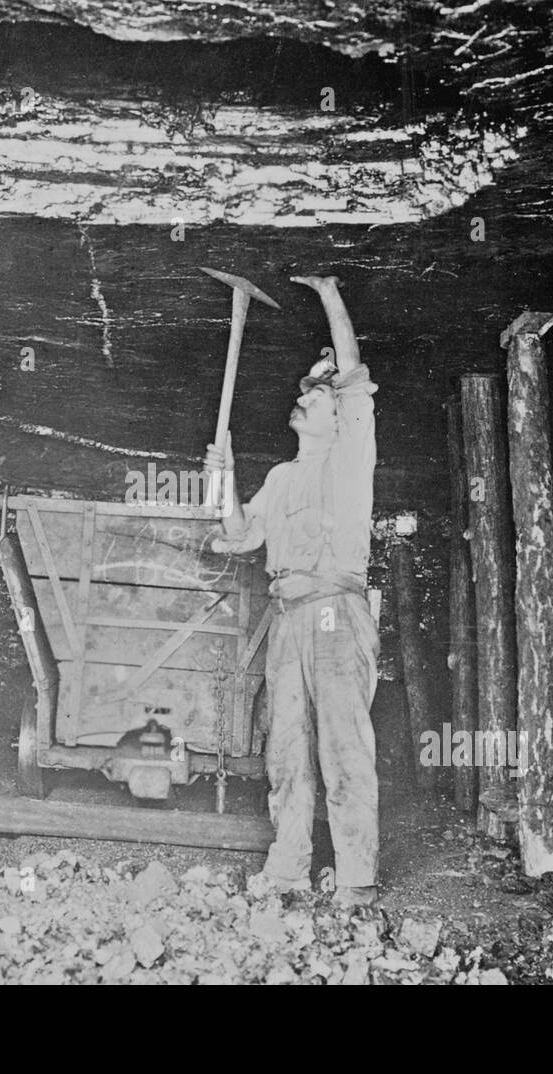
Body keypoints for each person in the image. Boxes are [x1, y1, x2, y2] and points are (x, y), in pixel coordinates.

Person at [204, 274, 380, 908]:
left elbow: (353, 373)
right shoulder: (280, 477)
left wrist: (331, 291)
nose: (306, 396)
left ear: (341, 415)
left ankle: (357, 877)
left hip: (336, 614)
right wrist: (222, 482)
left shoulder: (350, 456)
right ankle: (287, 869)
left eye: (318, 393)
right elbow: (240, 535)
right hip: (288, 617)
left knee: (341, 745)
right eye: (305, 392)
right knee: (286, 750)